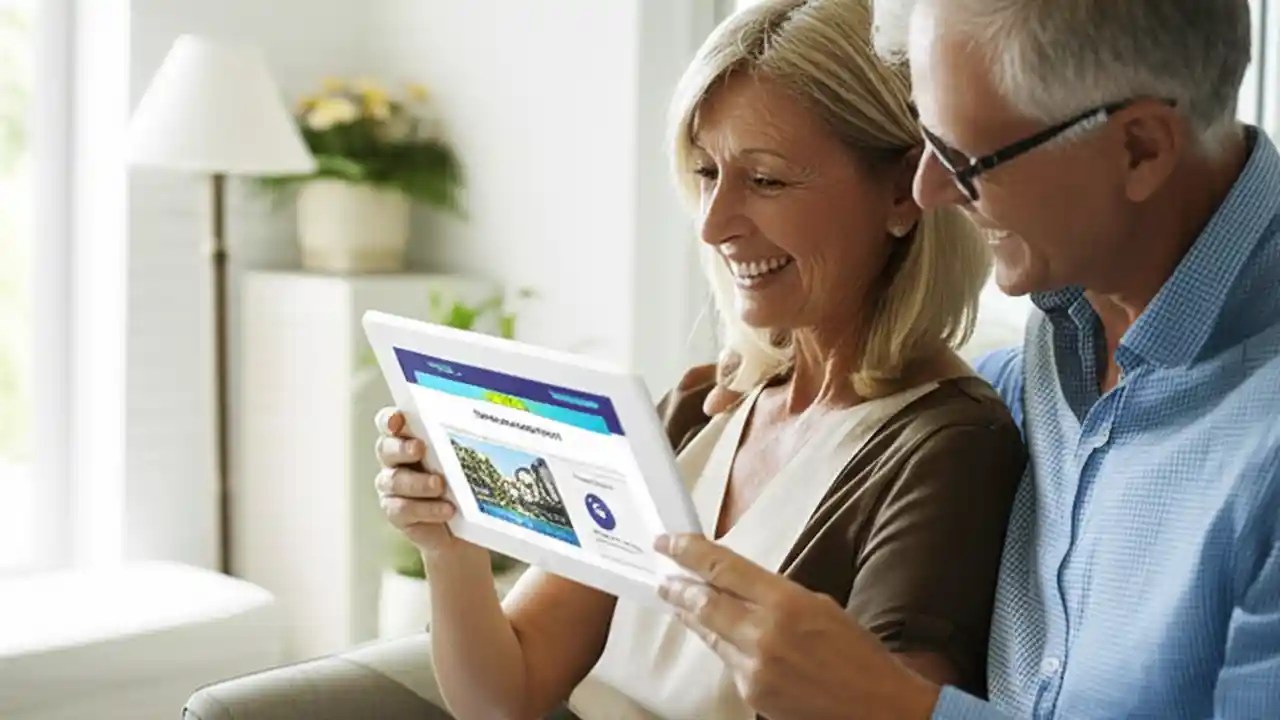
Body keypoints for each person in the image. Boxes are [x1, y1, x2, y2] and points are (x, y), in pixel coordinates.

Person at [374, 0, 1025, 718]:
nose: (714, 224)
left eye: (767, 179)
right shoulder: (699, 408)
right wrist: (449, 545)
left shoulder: (950, 449)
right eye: (707, 172)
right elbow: (507, 693)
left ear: (904, 192)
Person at [644, 0, 1280, 718]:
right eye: (925, 141)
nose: (926, 193)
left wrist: (893, 707)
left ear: (1140, 148)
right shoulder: (1042, 352)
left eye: (966, 160)